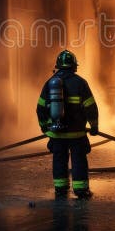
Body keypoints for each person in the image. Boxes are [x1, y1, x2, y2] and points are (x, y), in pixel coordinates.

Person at [36, 50, 99, 199]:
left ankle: (60, 189)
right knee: (78, 160)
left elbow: (40, 107)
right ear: (74, 66)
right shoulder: (80, 83)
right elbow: (90, 107)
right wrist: (94, 126)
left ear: (58, 66)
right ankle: (81, 190)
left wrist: (44, 126)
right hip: (76, 132)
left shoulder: (50, 83)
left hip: (57, 133)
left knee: (59, 159)